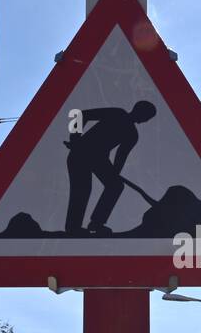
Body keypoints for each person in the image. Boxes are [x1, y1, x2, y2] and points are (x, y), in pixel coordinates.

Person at [64, 100, 157, 235]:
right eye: (147, 117)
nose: (147, 120)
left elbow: (120, 158)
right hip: (80, 154)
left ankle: (97, 223)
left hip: (99, 160)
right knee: (82, 189)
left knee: (116, 186)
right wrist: (75, 139)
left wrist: (114, 174)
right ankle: (73, 228)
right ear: (141, 113)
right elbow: (81, 115)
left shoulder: (132, 135)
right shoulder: (117, 113)